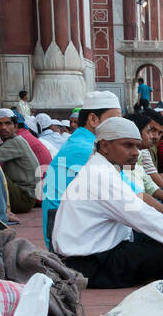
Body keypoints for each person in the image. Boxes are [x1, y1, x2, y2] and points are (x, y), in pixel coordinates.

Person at [54, 117, 163, 287]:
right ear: (104, 146)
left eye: (137, 146)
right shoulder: (100, 176)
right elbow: (146, 218)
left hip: (95, 255)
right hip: (92, 266)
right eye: (128, 145)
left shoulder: (104, 169)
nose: (136, 152)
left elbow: (144, 214)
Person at [41, 89, 122, 245]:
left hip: (76, 228)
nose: (119, 126)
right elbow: (128, 192)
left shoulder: (86, 142)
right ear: (93, 119)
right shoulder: (84, 148)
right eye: (114, 120)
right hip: (70, 239)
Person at [0, 108, 43, 216]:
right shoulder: (13, 141)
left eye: (7, 123)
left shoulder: (16, 142)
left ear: (15, 127)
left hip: (24, 198)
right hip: (25, 196)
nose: (3, 127)